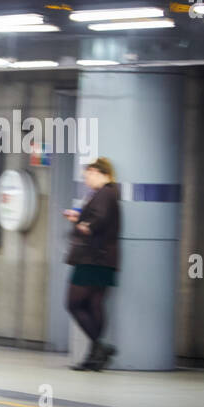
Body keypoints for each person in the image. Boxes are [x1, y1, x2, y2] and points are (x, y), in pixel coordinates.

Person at [63, 157, 121, 370]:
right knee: (94, 303)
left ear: (98, 172)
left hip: (92, 258)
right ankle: (95, 356)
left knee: (73, 303)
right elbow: (100, 217)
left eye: (87, 174)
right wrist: (79, 219)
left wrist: (84, 225)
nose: (86, 179)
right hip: (103, 258)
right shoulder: (109, 193)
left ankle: (99, 347)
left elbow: (99, 219)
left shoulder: (104, 192)